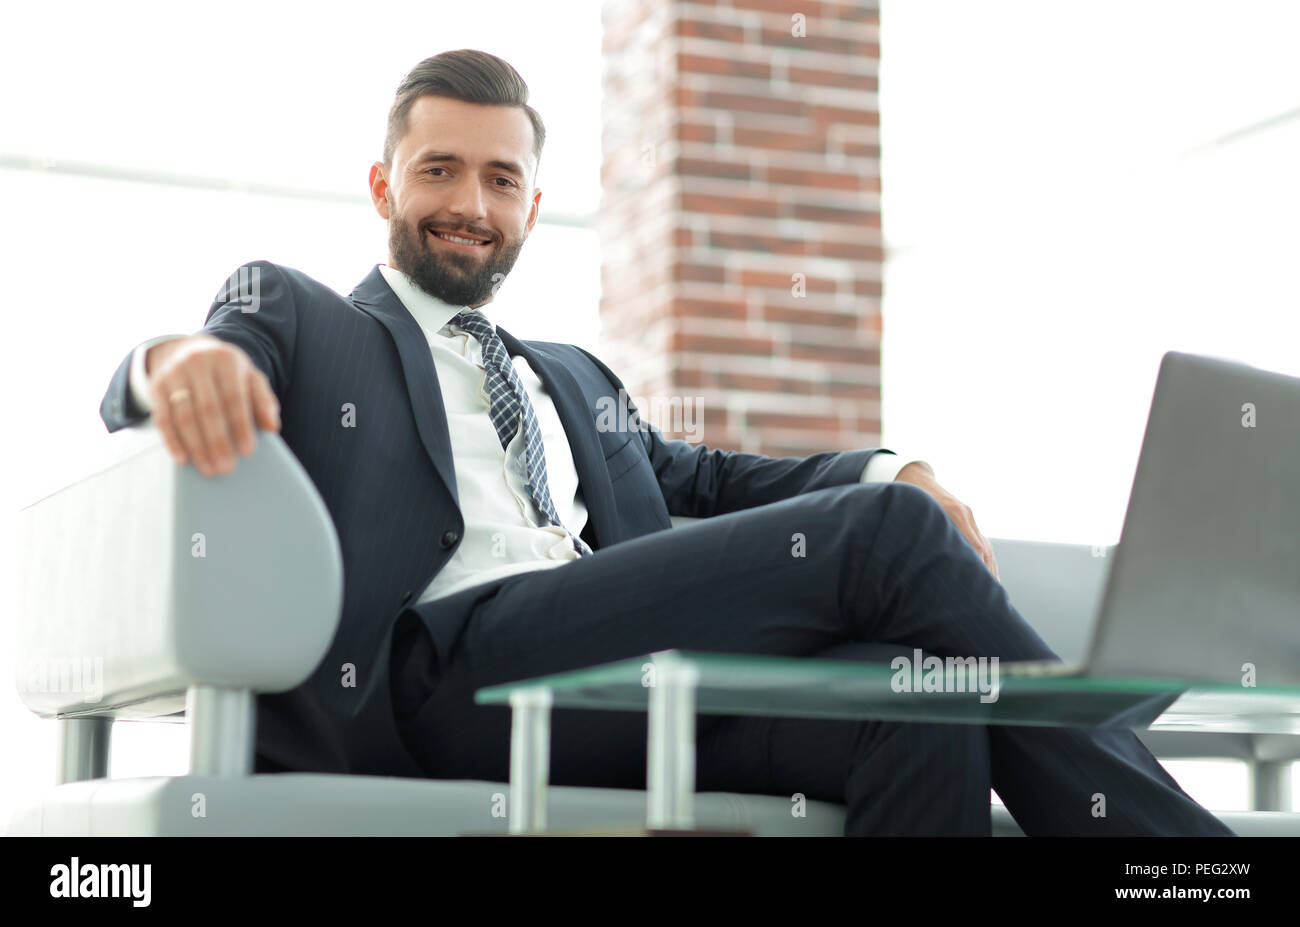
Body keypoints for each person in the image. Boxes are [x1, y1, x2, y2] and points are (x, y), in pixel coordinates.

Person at [98, 49, 1233, 836]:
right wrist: (176, 364)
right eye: (438, 170)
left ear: (533, 207)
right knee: (885, 538)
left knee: (917, 692)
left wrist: (889, 464)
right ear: (383, 183)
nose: (469, 204)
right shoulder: (306, 314)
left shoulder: (574, 376)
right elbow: (207, 351)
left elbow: (710, 479)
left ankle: (1040, 713)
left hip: (615, 675)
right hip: (446, 677)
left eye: (501, 179)